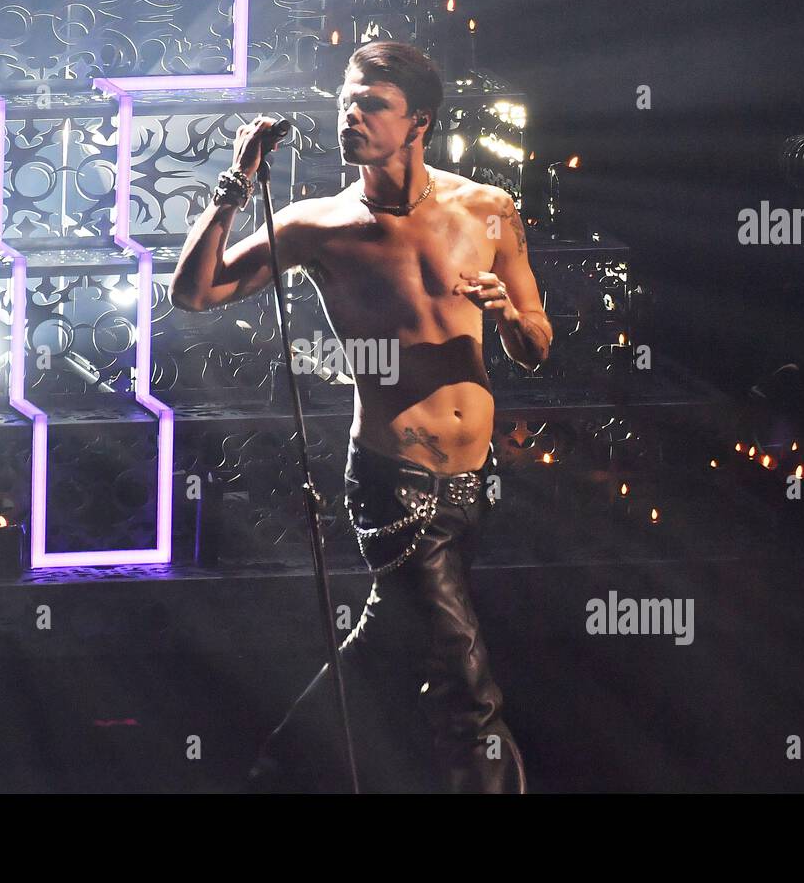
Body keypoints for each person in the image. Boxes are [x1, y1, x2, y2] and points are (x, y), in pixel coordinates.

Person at [169, 40, 552, 792]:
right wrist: (237, 182)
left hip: (476, 485)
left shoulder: (489, 210)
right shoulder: (320, 226)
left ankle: (277, 771)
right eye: (347, 102)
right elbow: (197, 292)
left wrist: (508, 316)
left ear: (419, 122)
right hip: (395, 484)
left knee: (389, 642)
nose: (351, 116)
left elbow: (536, 343)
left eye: (372, 104)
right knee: (466, 691)